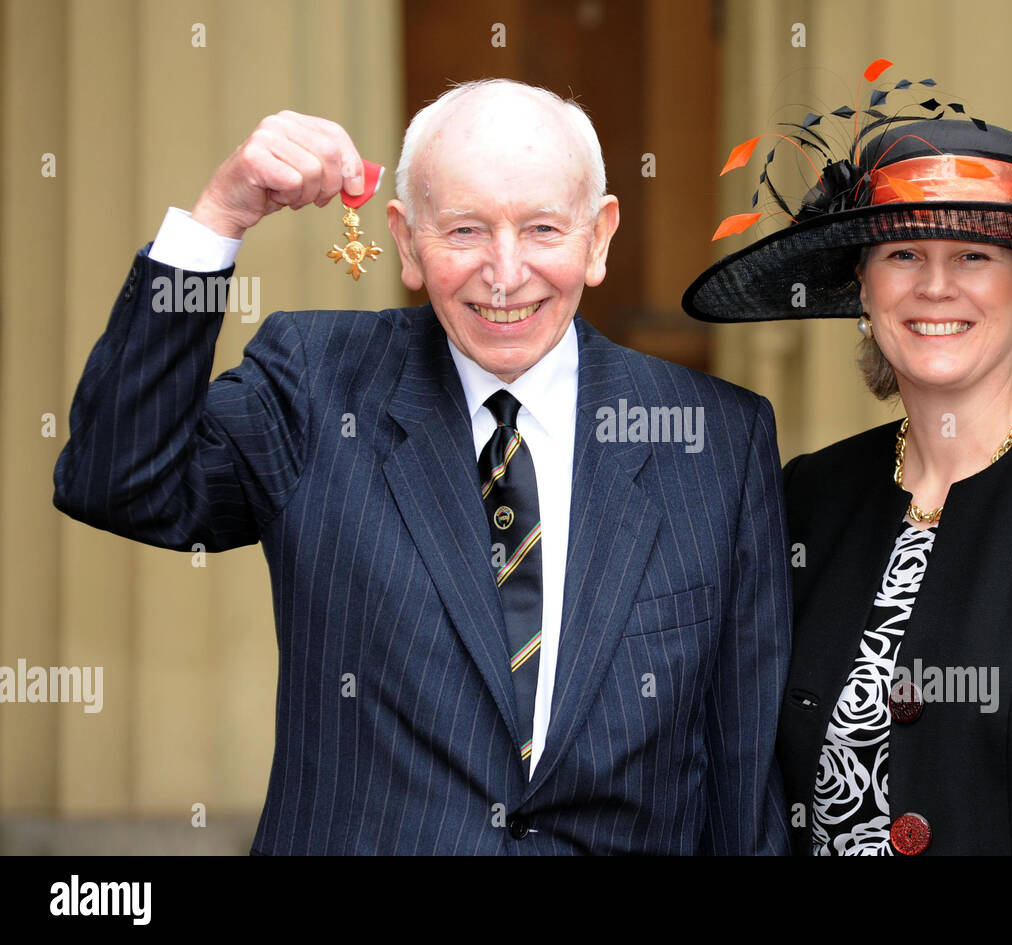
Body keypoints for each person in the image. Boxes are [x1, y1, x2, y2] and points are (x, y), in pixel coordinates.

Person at [53, 79, 791, 855]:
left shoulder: (715, 438)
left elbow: (741, 775)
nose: (504, 274)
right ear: (405, 241)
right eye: (466, 230)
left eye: (542, 228)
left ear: (598, 236)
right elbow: (118, 478)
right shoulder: (315, 382)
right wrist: (218, 220)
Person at [683, 71, 1012, 855]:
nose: (935, 286)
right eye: (903, 252)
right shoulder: (808, 494)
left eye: (974, 254)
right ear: (863, 290)